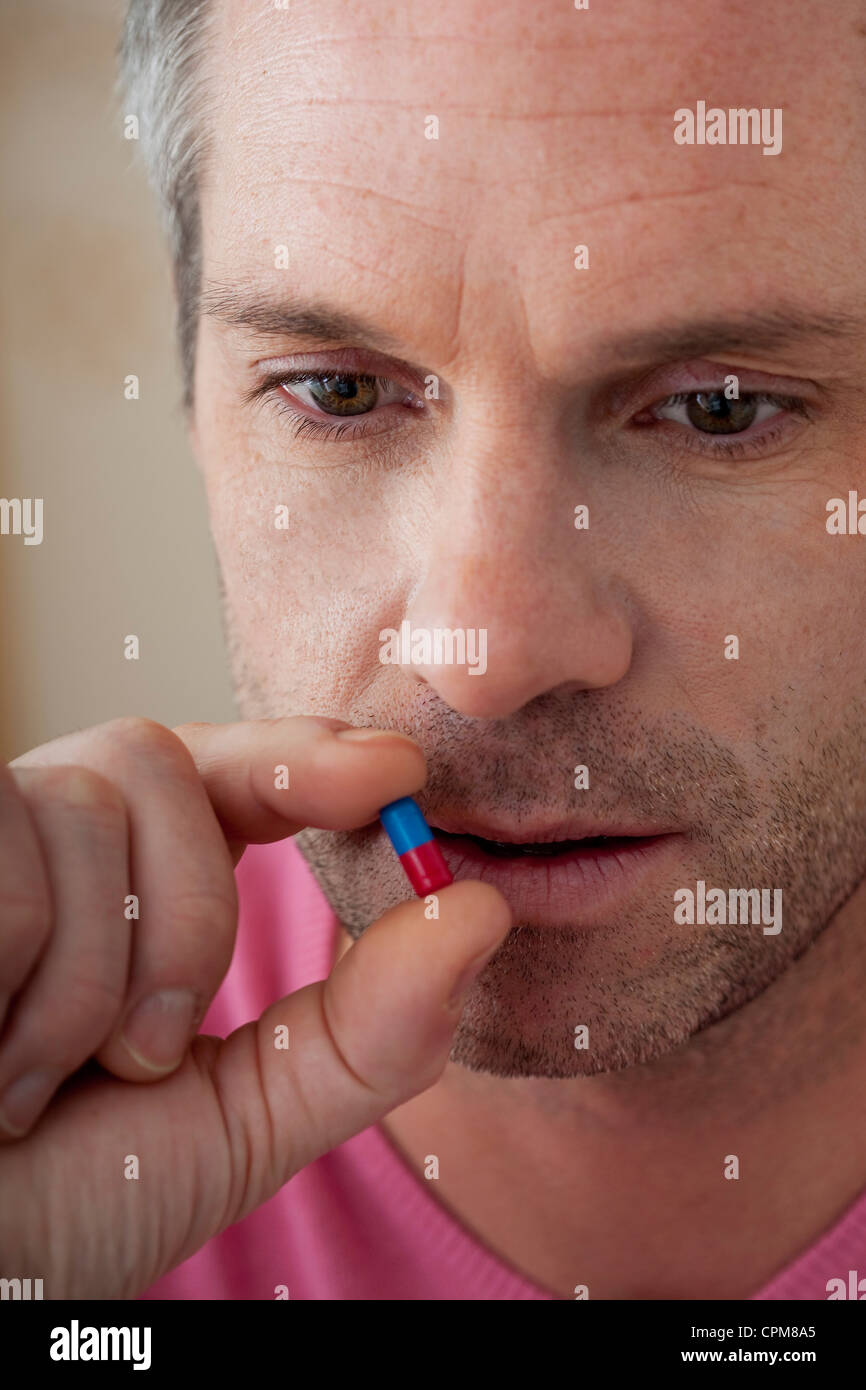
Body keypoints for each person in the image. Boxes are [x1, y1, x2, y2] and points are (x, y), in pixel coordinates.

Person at [2, 0, 865, 1301]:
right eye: (338, 391)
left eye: (718, 409)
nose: (486, 654)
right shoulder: (58, 1110)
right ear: (192, 408)